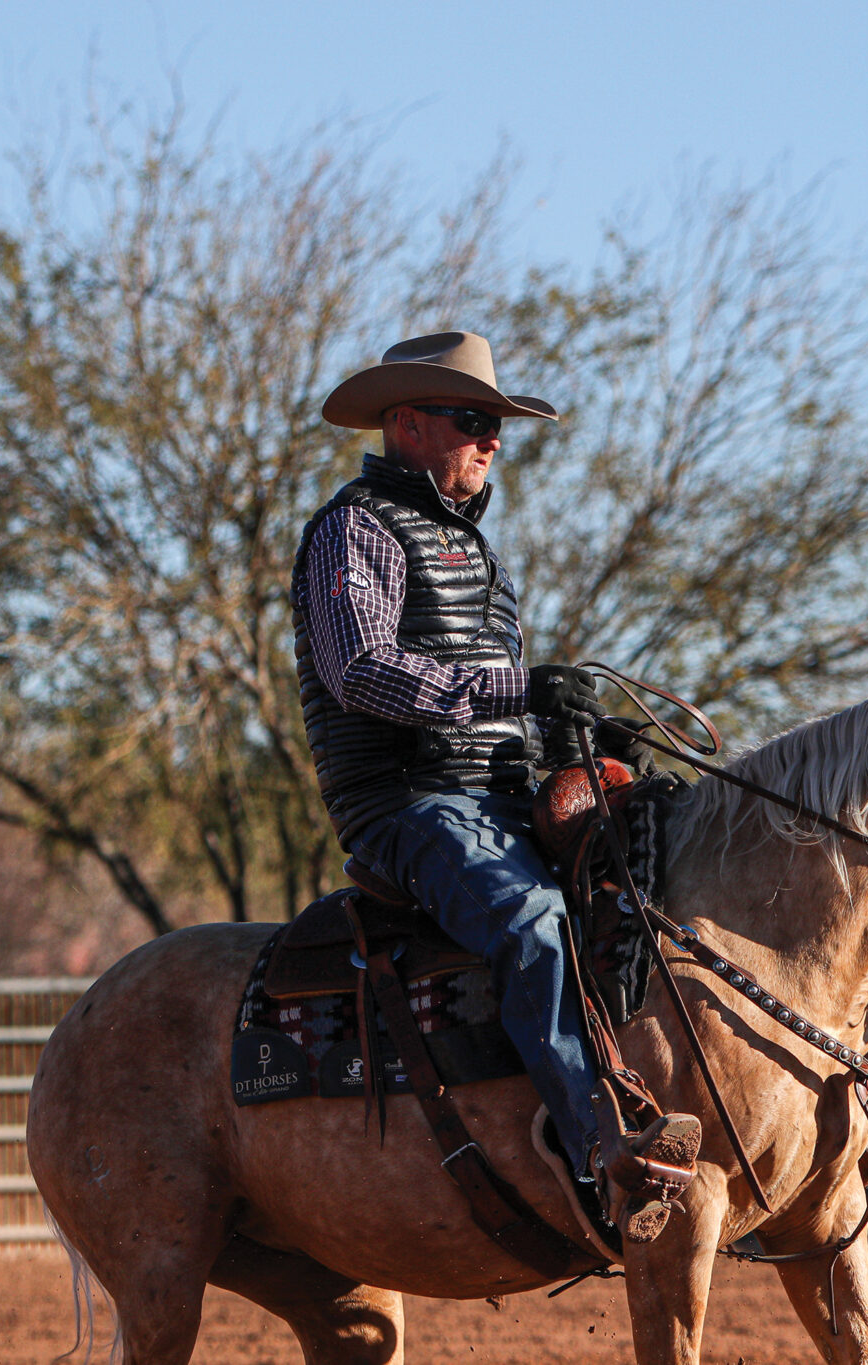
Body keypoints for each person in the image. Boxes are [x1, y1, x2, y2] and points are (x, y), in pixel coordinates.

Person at [291, 331, 700, 1242]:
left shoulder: (483, 557)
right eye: (474, 421)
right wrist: (522, 685)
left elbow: (508, 706)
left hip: (498, 793)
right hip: (405, 801)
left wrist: (581, 731)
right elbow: (360, 669)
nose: (493, 441)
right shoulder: (353, 528)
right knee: (529, 917)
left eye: (495, 425)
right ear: (406, 422)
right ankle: (603, 1146)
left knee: (650, 868)